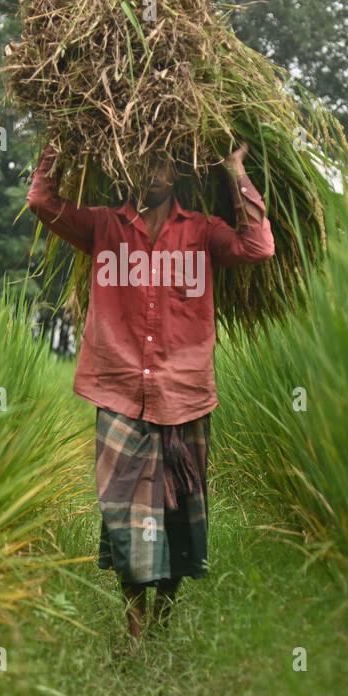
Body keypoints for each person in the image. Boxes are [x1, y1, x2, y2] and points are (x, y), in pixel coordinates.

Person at [26, 138, 274, 647]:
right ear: (126, 167)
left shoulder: (202, 232)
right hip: (118, 391)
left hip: (184, 394)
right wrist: (59, 144)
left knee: (179, 519)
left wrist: (234, 171)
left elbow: (258, 246)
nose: (153, 172)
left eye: (162, 162)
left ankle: (162, 620)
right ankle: (136, 629)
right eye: (144, 161)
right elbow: (41, 202)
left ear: (178, 170)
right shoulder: (102, 226)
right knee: (125, 515)